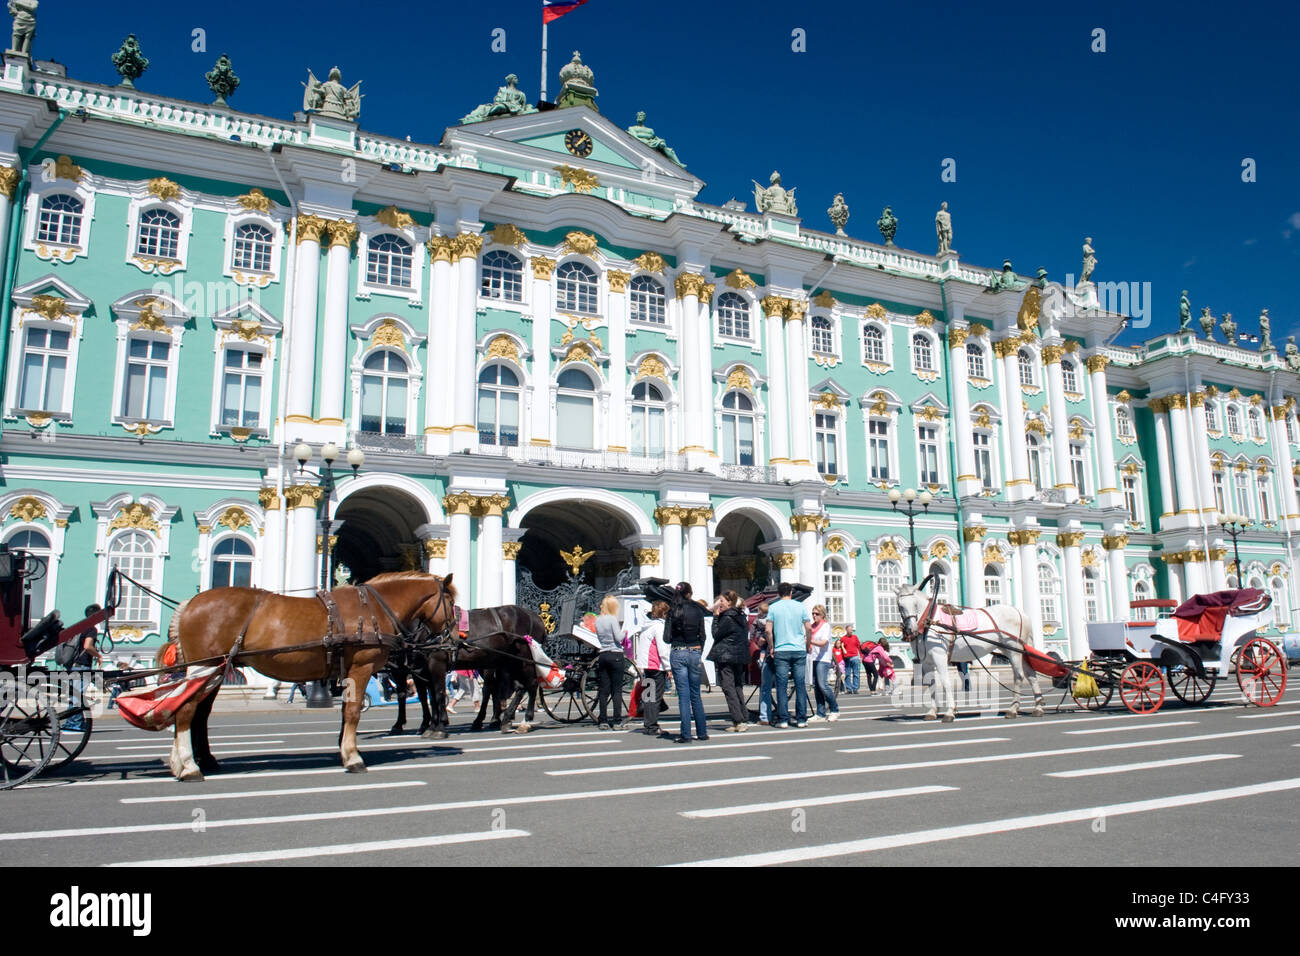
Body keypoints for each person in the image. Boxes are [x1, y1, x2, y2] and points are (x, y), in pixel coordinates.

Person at [664, 581, 709, 743]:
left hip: (678, 651)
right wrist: (698, 650)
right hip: (695, 651)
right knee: (696, 694)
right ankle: (702, 732)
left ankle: (686, 734)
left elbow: (666, 638)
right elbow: (703, 635)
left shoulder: (673, 610)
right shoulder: (698, 609)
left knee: (683, 695)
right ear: (689, 593)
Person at [766, 582, 811, 728]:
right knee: (800, 684)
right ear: (791, 592)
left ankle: (783, 719)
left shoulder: (773, 607)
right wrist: (807, 644)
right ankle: (801, 719)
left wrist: (771, 646)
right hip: (798, 649)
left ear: (778, 594)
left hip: (781, 650)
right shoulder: (800, 606)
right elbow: (808, 628)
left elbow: (767, 630)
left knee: (781, 685)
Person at [708, 591, 750, 732]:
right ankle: (743, 716)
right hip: (738, 655)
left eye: (722, 601)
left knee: (728, 687)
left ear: (729, 603)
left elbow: (716, 634)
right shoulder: (740, 615)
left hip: (726, 655)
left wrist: (715, 617)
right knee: (737, 685)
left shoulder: (727, 617)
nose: (719, 603)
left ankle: (738, 720)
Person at [632, 600, 671, 736]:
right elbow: (663, 649)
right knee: (655, 696)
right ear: (665, 613)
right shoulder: (659, 627)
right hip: (656, 665)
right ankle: (652, 725)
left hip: (647, 665)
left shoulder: (647, 626)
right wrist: (668, 667)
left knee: (649, 696)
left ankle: (648, 724)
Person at [594, 594, 627, 730]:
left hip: (603, 655)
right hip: (616, 655)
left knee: (604, 690)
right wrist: (625, 631)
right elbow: (619, 638)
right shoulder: (613, 619)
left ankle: (603, 720)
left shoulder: (598, 620)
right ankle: (617, 721)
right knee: (617, 690)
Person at [807, 605, 840, 722]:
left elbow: (824, 642)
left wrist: (809, 641)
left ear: (822, 615)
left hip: (823, 658)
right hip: (814, 658)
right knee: (817, 687)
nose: (814, 616)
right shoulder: (811, 627)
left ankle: (835, 709)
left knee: (823, 685)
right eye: (813, 613)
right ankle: (820, 713)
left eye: (817, 614)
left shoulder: (825, 626)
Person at [751, 602, 777, 724]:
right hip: (783, 652)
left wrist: (769, 645)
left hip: (770, 653)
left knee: (765, 687)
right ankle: (784, 715)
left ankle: (765, 717)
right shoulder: (775, 619)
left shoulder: (762, 621)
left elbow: (763, 634)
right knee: (781, 686)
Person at [841, 624, 862, 694]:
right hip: (847, 658)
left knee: (856, 674)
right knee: (847, 674)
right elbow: (841, 648)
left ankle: (855, 688)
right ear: (846, 630)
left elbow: (859, 647)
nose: (851, 631)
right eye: (850, 630)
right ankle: (849, 689)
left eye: (852, 630)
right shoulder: (843, 638)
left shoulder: (855, 637)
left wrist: (861, 656)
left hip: (855, 657)